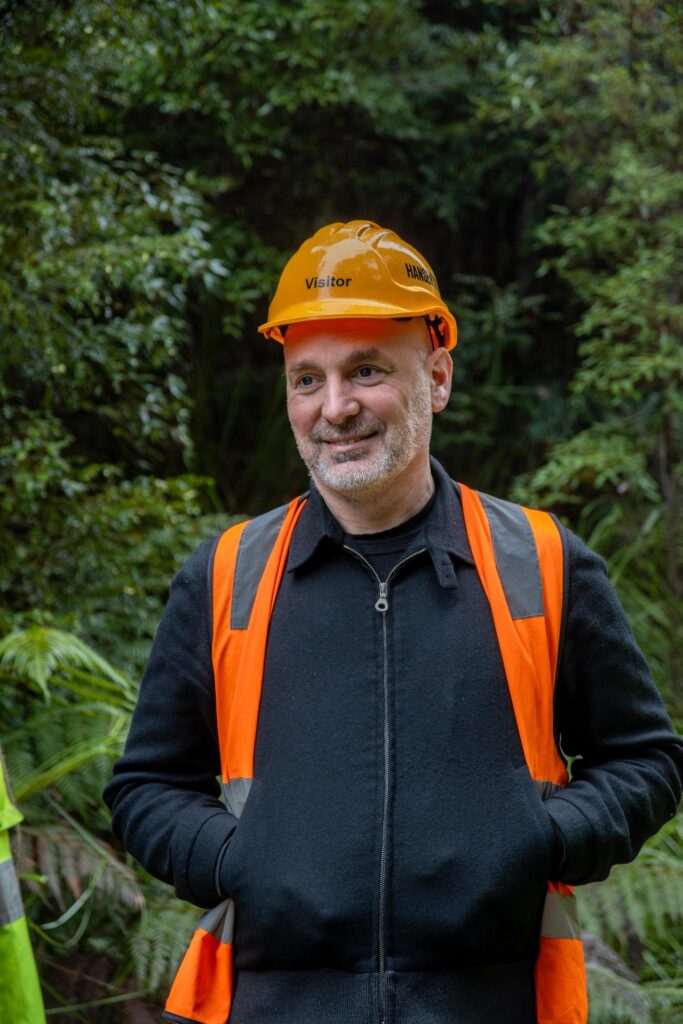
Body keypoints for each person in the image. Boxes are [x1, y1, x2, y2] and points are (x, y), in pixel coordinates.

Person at [104, 220, 683, 1024]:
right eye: (306, 380)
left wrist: (543, 838)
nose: (334, 408)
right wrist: (234, 858)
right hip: (272, 1003)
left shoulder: (541, 562)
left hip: (494, 1002)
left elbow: (644, 758)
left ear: (436, 376)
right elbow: (146, 786)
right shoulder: (226, 577)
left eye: (366, 371)